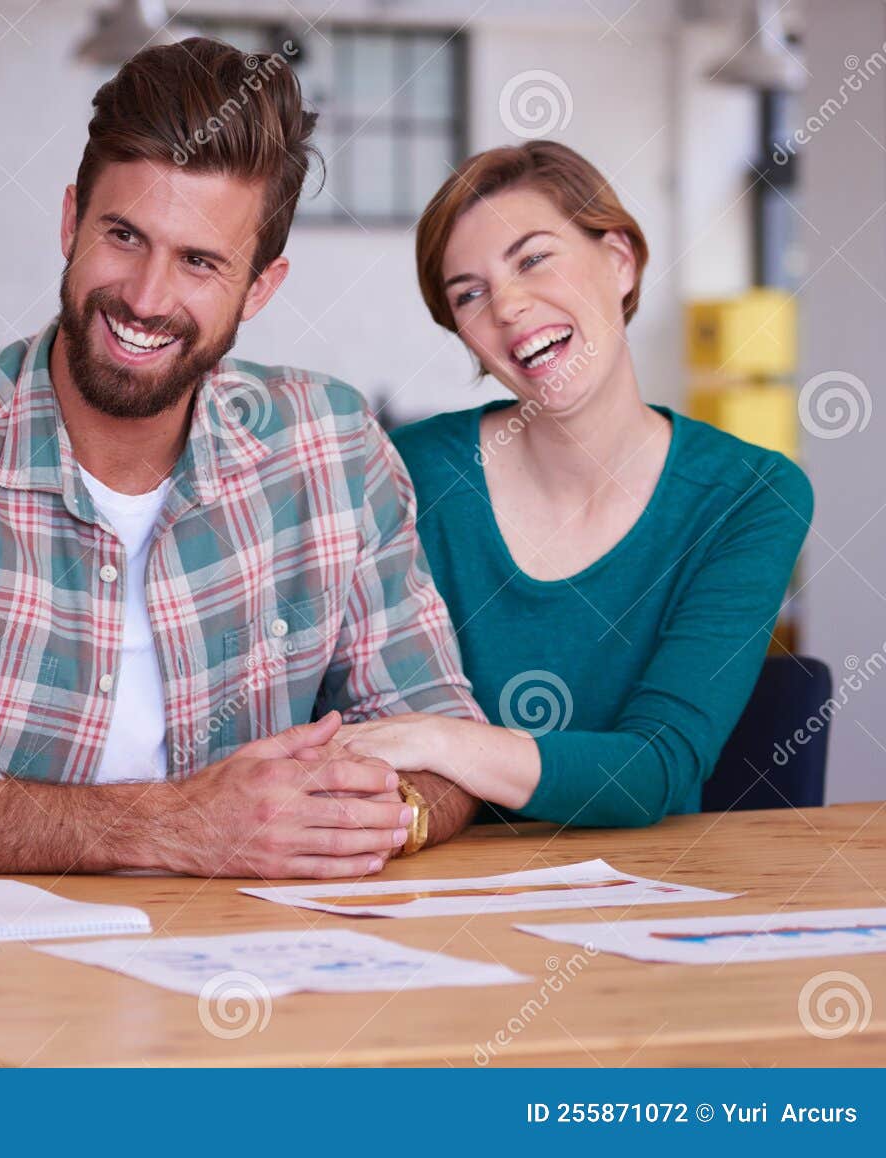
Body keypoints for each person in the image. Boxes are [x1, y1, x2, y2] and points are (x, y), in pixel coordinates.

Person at [0, 37, 487, 878]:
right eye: (123, 236)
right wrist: (175, 826)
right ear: (72, 220)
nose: (147, 297)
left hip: (264, 973)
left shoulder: (332, 447)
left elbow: (441, 740)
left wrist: (380, 819)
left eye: (199, 262)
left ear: (260, 285)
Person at [336, 141, 812, 826]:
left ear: (620, 260)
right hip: (431, 886)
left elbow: (655, 768)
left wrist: (444, 740)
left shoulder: (750, 495)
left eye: (532, 259)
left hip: (646, 893)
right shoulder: (407, 473)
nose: (507, 306)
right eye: (469, 294)